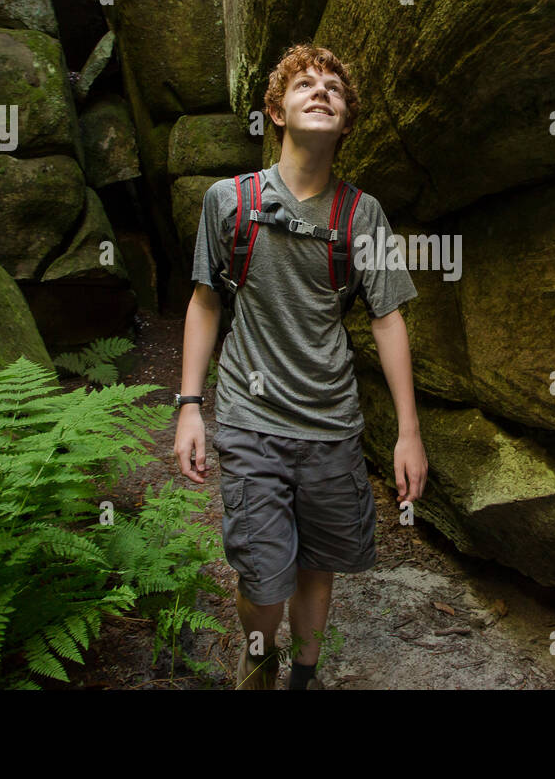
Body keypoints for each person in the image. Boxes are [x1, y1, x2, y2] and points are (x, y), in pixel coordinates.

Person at [173, 43, 428, 689]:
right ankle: (259, 661)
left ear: (346, 123)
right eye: (305, 83)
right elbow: (205, 302)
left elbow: (388, 318)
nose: (322, 90)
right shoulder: (228, 203)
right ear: (276, 112)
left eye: (335, 88)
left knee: (317, 566)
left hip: (331, 425)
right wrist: (189, 406)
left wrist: (408, 433)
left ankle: (303, 679)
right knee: (263, 577)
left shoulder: (360, 215)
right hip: (250, 420)